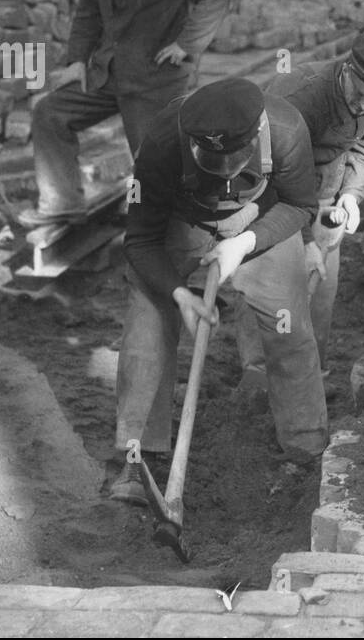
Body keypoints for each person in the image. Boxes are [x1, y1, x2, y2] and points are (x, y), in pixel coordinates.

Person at [109, 78, 326, 502]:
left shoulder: (286, 129)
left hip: (260, 223)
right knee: (145, 328)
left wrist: (243, 244)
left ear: (255, 137)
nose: (223, 172)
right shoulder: (159, 142)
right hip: (181, 222)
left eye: (233, 162)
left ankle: (306, 451)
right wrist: (179, 293)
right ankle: (139, 461)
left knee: (290, 329)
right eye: (211, 161)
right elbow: (140, 240)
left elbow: (301, 205)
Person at [20, 0, 231, 229]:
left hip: (155, 82)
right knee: (50, 113)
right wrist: (77, 62)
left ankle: (176, 231)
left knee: (153, 163)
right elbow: (87, 14)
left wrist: (187, 45)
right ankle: (62, 203)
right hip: (109, 74)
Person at [228, 34, 364, 403]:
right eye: (357, 96)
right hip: (268, 188)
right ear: (345, 73)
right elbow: (272, 175)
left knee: (319, 286)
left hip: (325, 186)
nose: (363, 107)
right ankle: (259, 372)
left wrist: (351, 196)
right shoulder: (297, 95)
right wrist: (306, 242)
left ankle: (308, 372)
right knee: (264, 279)